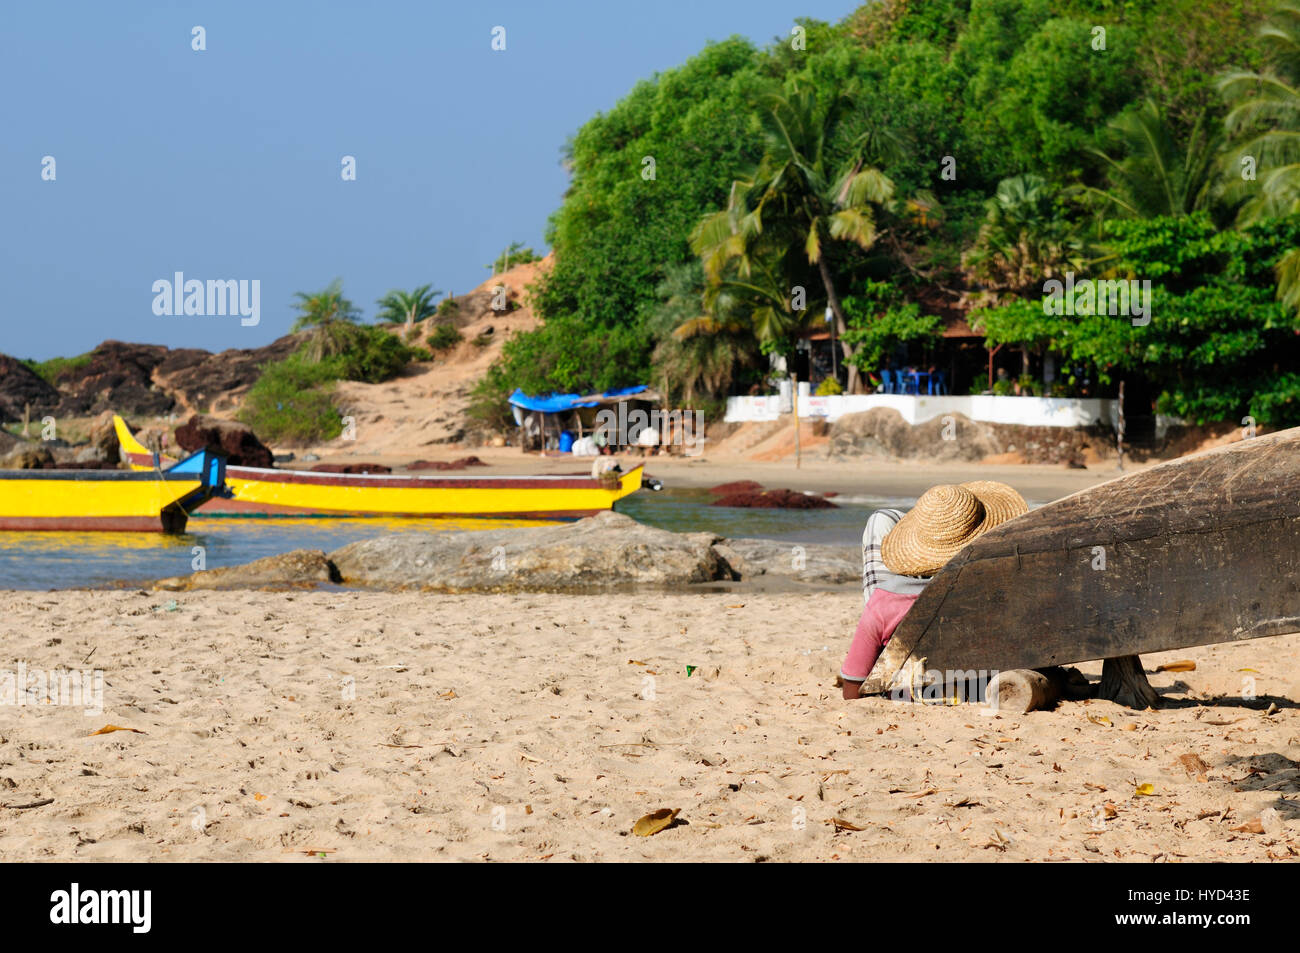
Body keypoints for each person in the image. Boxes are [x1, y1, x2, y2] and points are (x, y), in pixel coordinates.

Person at [841, 481, 1028, 699]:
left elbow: (852, 690)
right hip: (976, 684)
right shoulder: (995, 590)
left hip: (909, 684)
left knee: (880, 519)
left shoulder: (883, 605)